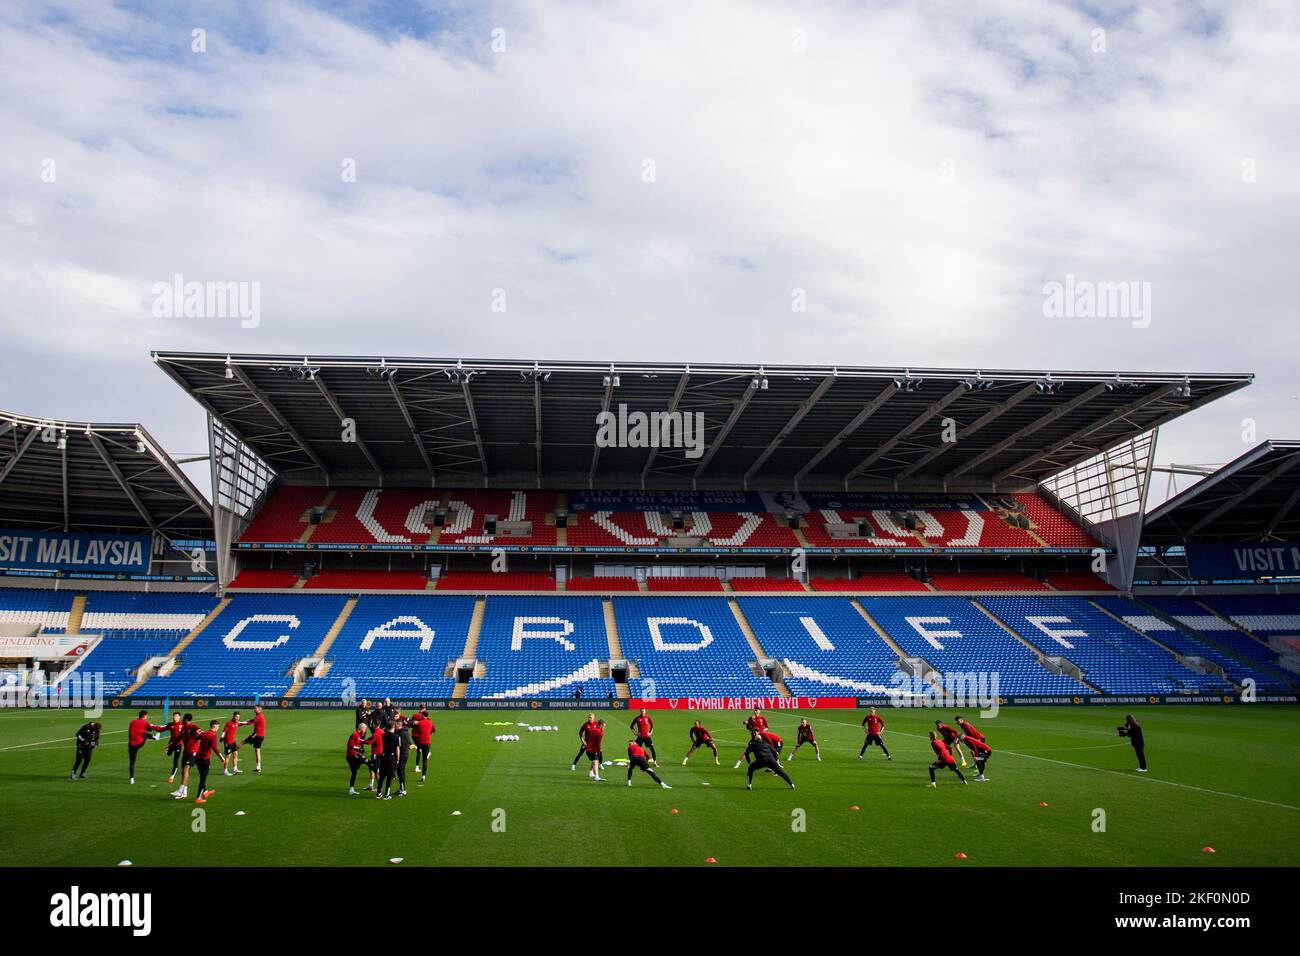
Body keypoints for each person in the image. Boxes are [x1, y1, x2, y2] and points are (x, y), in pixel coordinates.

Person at [127, 709, 166, 785]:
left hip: (131, 744)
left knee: (132, 762)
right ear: (144, 716)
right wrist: (163, 727)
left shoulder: (132, 722)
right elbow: (155, 728)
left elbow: (130, 732)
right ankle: (156, 737)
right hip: (139, 743)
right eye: (147, 715)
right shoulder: (144, 722)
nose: (147, 717)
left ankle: (131, 779)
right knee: (145, 734)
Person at [192, 720, 227, 804]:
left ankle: (205, 792)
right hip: (204, 759)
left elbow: (196, 737)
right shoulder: (212, 735)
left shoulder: (204, 733)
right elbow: (215, 748)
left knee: (202, 776)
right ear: (215, 727)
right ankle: (198, 798)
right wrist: (222, 758)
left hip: (197, 758)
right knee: (203, 779)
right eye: (218, 726)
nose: (218, 728)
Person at [171, 713, 201, 799]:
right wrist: (170, 746)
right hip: (186, 752)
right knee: (184, 771)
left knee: (186, 769)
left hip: (192, 752)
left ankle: (180, 790)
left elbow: (201, 734)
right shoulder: (184, 728)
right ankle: (184, 792)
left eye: (183, 718)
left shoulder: (193, 727)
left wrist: (197, 737)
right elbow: (178, 739)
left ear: (186, 719)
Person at [376, 721, 401, 800]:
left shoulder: (383, 735)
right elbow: (397, 749)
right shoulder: (397, 737)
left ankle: (379, 793)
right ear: (393, 727)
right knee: (390, 776)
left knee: (382, 776)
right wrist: (398, 759)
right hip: (391, 757)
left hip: (383, 756)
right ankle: (387, 795)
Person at [410, 709, 435, 781]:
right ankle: (423, 775)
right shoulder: (430, 722)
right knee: (424, 761)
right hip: (427, 743)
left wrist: (414, 723)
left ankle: (417, 766)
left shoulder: (420, 722)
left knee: (418, 751)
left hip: (420, 742)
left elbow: (413, 725)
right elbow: (434, 729)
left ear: (422, 715)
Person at [241, 705, 267, 772]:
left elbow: (250, 722)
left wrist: (239, 723)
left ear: (259, 709)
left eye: (255, 708)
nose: (254, 709)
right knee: (257, 750)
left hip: (256, 735)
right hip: (261, 736)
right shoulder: (260, 716)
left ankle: (233, 750)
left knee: (243, 742)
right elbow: (252, 720)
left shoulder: (258, 716)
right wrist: (248, 720)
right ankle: (258, 767)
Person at [346, 723, 367, 795]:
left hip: (352, 755)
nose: (364, 731)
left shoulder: (357, 735)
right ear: (361, 728)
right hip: (351, 756)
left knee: (354, 772)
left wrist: (368, 741)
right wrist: (359, 749)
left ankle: (351, 789)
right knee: (365, 761)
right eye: (364, 729)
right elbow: (350, 745)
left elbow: (360, 741)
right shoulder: (355, 734)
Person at [221, 711, 244, 776]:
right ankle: (225, 771)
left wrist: (249, 722)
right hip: (228, 742)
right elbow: (224, 731)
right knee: (228, 756)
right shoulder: (229, 723)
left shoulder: (236, 722)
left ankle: (235, 769)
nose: (237, 718)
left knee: (236, 754)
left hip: (233, 741)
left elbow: (240, 724)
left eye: (238, 717)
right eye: (236, 717)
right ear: (233, 716)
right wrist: (222, 736)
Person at [165, 713, 185, 784]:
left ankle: (172, 777)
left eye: (176, 716)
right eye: (174, 716)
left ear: (179, 717)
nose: (174, 717)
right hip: (171, 744)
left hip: (178, 745)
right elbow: (162, 728)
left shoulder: (183, 724)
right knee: (168, 754)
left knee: (175, 761)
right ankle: (168, 750)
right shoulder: (170, 724)